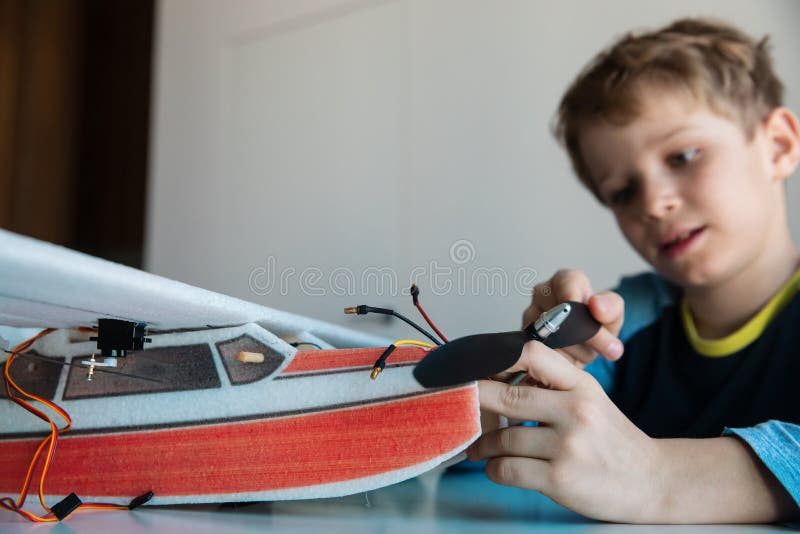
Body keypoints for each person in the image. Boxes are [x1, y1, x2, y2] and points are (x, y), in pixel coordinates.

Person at [466, 18, 800, 523]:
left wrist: (659, 476)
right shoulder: (629, 322)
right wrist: (534, 377)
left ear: (777, 145)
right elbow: (486, 468)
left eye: (684, 156)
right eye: (623, 191)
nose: (655, 203)